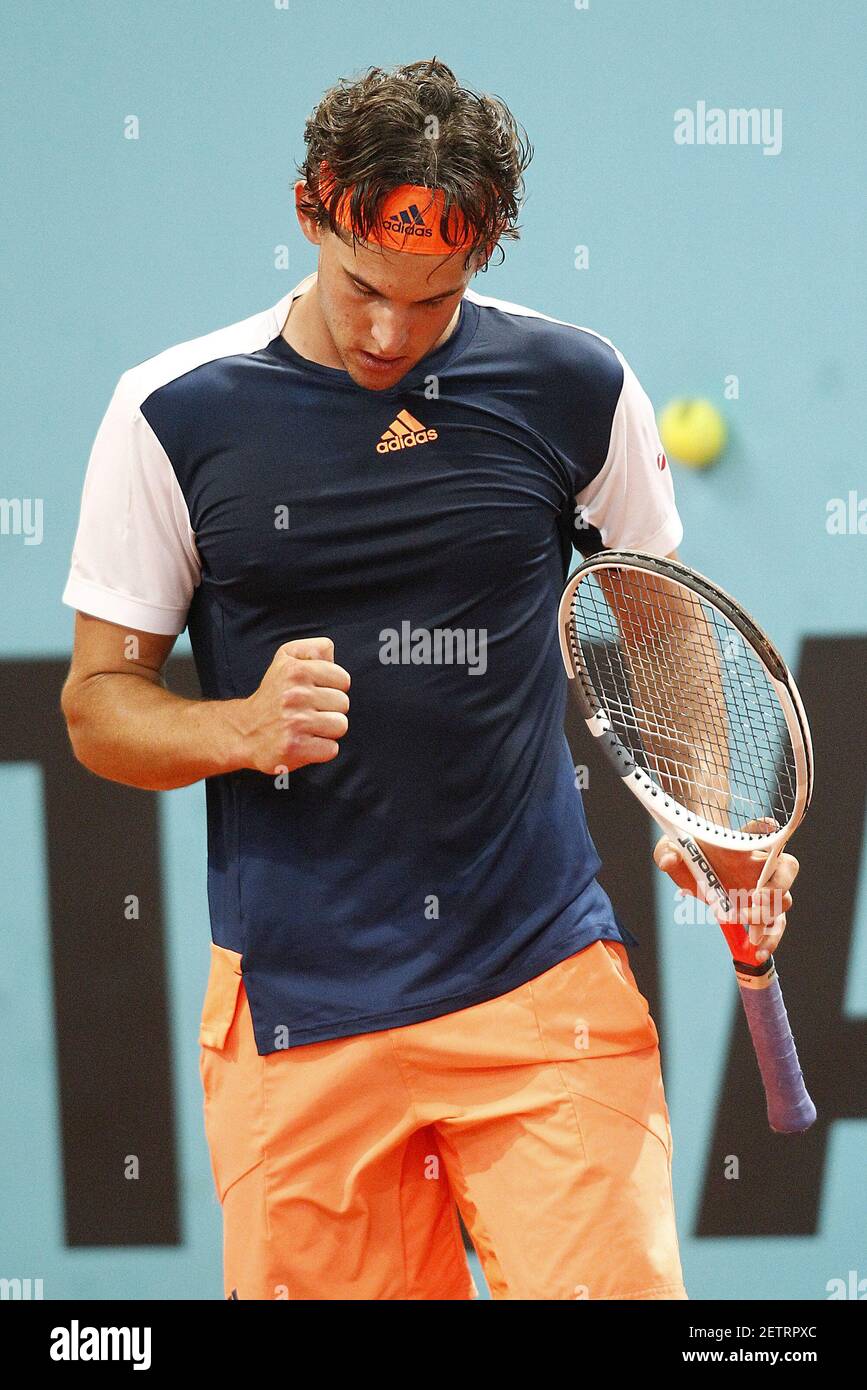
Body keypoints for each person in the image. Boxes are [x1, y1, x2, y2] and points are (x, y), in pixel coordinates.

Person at [60, 58, 799, 1300]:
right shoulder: (169, 415)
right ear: (310, 208)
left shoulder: (577, 388)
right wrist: (238, 726)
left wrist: (707, 819)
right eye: (362, 288)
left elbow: (663, 636)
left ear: (484, 255)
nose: (390, 334)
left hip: (543, 984)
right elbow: (95, 705)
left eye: (436, 298)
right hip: (298, 1014)